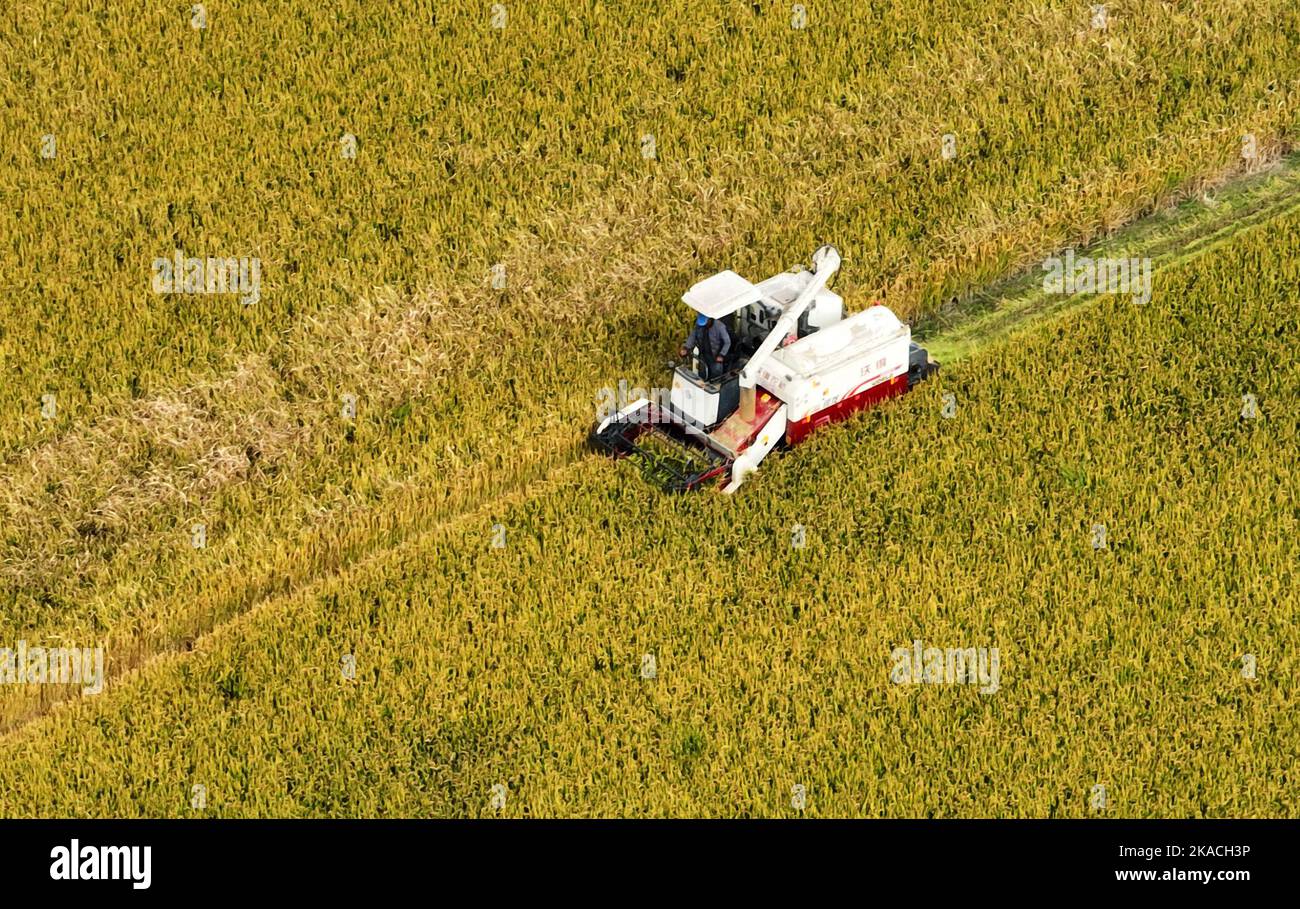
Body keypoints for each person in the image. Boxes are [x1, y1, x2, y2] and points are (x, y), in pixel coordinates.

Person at [679, 314, 731, 380]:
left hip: (715, 356)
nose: (703, 326)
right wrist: (686, 348)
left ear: (710, 319)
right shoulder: (699, 325)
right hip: (703, 355)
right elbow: (692, 336)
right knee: (702, 375)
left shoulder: (720, 327)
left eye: (705, 324)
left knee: (716, 377)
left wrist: (721, 355)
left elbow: (727, 342)